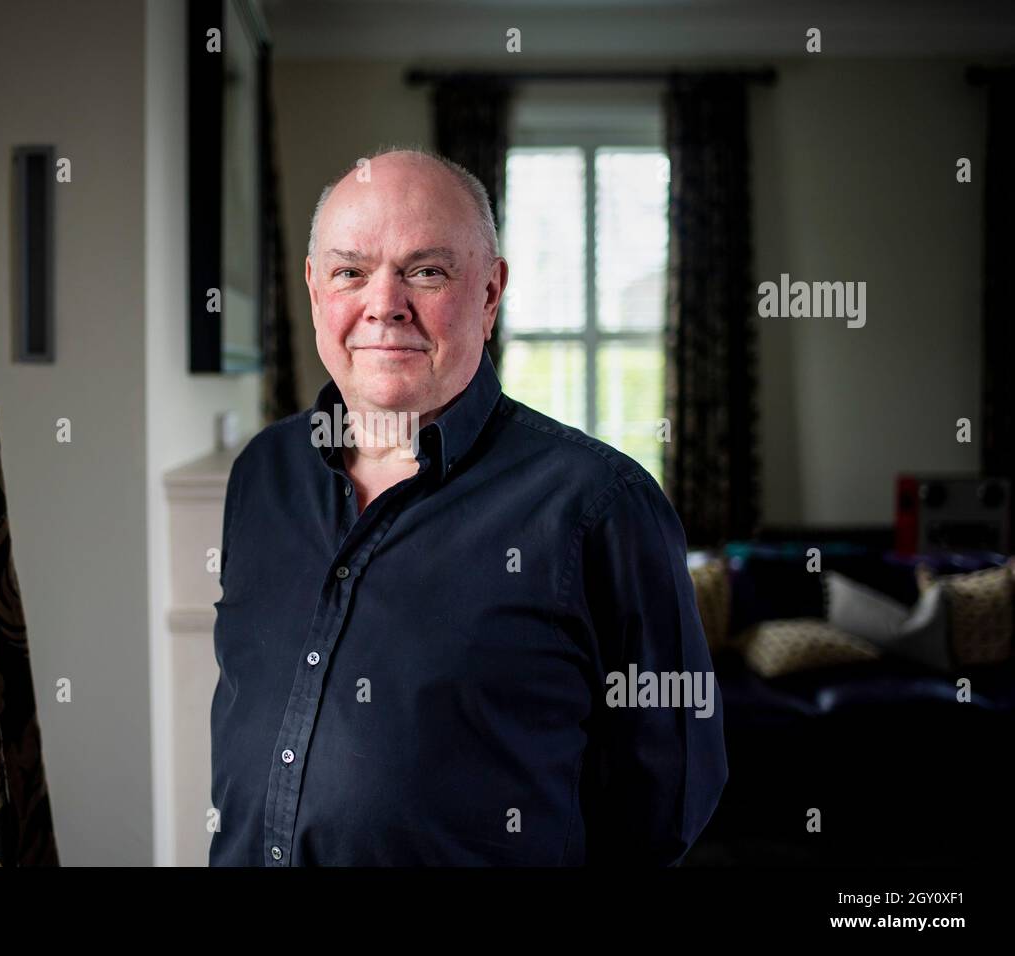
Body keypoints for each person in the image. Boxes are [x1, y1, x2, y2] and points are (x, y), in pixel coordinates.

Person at [208, 147, 726, 866]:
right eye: (350, 271)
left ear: (489, 293)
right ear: (313, 288)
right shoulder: (261, 476)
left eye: (426, 271)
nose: (383, 304)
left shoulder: (601, 506)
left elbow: (667, 800)